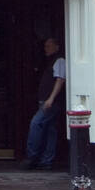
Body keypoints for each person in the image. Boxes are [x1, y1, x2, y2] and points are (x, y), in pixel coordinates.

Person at [21, 36, 66, 171]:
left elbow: (60, 80)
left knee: (36, 123)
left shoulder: (59, 60)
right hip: (46, 100)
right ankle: (47, 161)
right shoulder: (48, 61)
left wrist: (51, 99)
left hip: (51, 102)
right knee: (50, 130)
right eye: (45, 46)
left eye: (48, 46)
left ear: (57, 47)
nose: (45, 48)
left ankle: (32, 157)